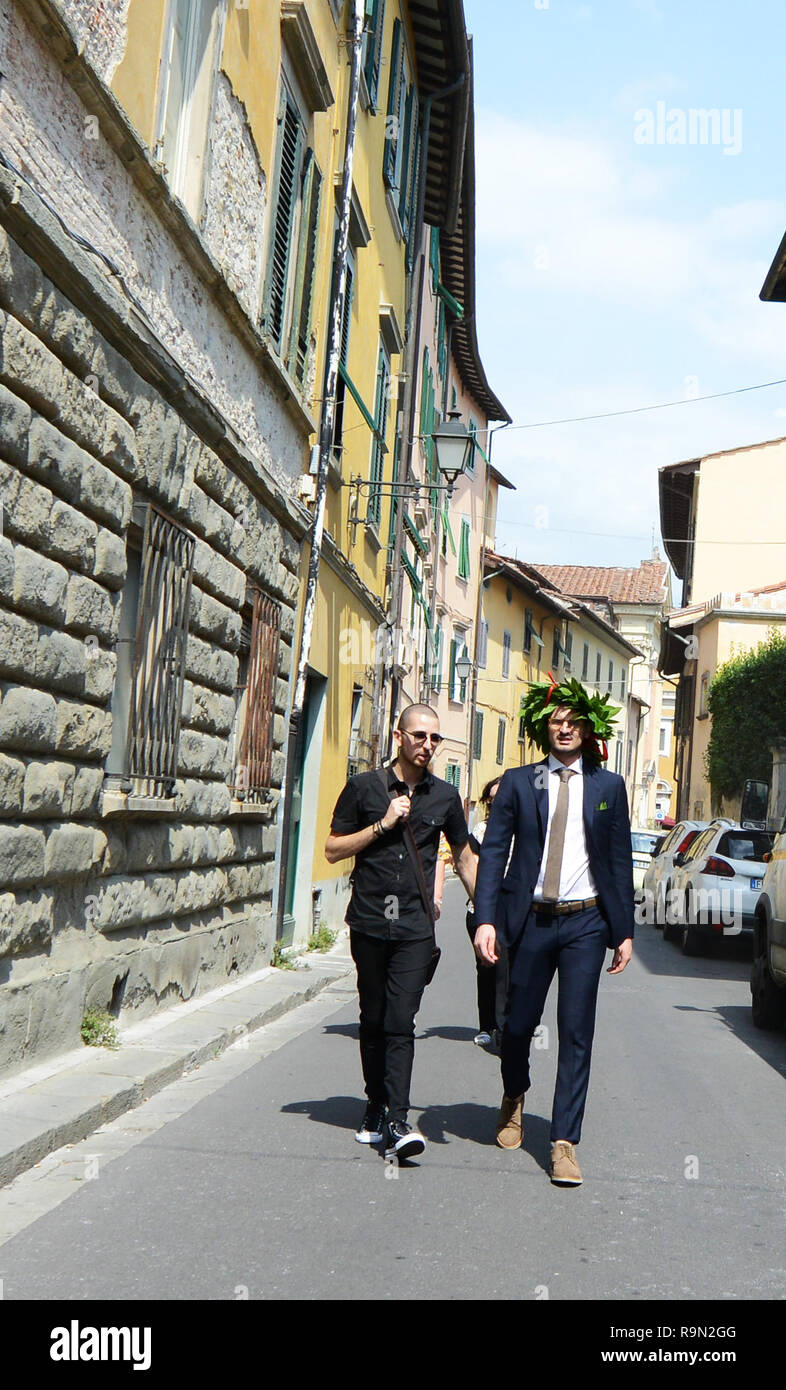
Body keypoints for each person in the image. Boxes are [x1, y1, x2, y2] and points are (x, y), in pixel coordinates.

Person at [473, 674, 634, 1185]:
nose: (563, 729)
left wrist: (623, 930)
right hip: (530, 921)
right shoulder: (520, 783)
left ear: (587, 731)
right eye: (555, 722)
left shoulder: (609, 787)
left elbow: (617, 861)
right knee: (517, 1026)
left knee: (576, 1030)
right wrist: (486, 920)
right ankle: (514, 1094)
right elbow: (495, 853)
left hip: (586, 922)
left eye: (572, 722)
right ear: (544, 729)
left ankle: (564, 1141)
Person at [326, 703, 476, 1163]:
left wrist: (487, 913)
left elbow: (465, 856)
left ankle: (398, 1118)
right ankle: (374, 1104)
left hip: (414, 926)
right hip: (369, 920)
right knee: (372, 1017)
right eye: (419, 736)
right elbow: (333, 849)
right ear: (398, 736)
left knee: (400, 1020)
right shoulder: (363, 787)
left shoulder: (445, 797)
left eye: (435, 739)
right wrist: (382, 825)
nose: (427, 745)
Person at [465, 777, 508, 1049]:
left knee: (512, 970)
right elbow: (472, 867)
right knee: (487, 967)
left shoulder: (525, 830)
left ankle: (509, 1025)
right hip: (480, 910)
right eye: (491, 801)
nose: (495, 805)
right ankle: (487, 1026)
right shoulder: (481, 832)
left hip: (514, 910)